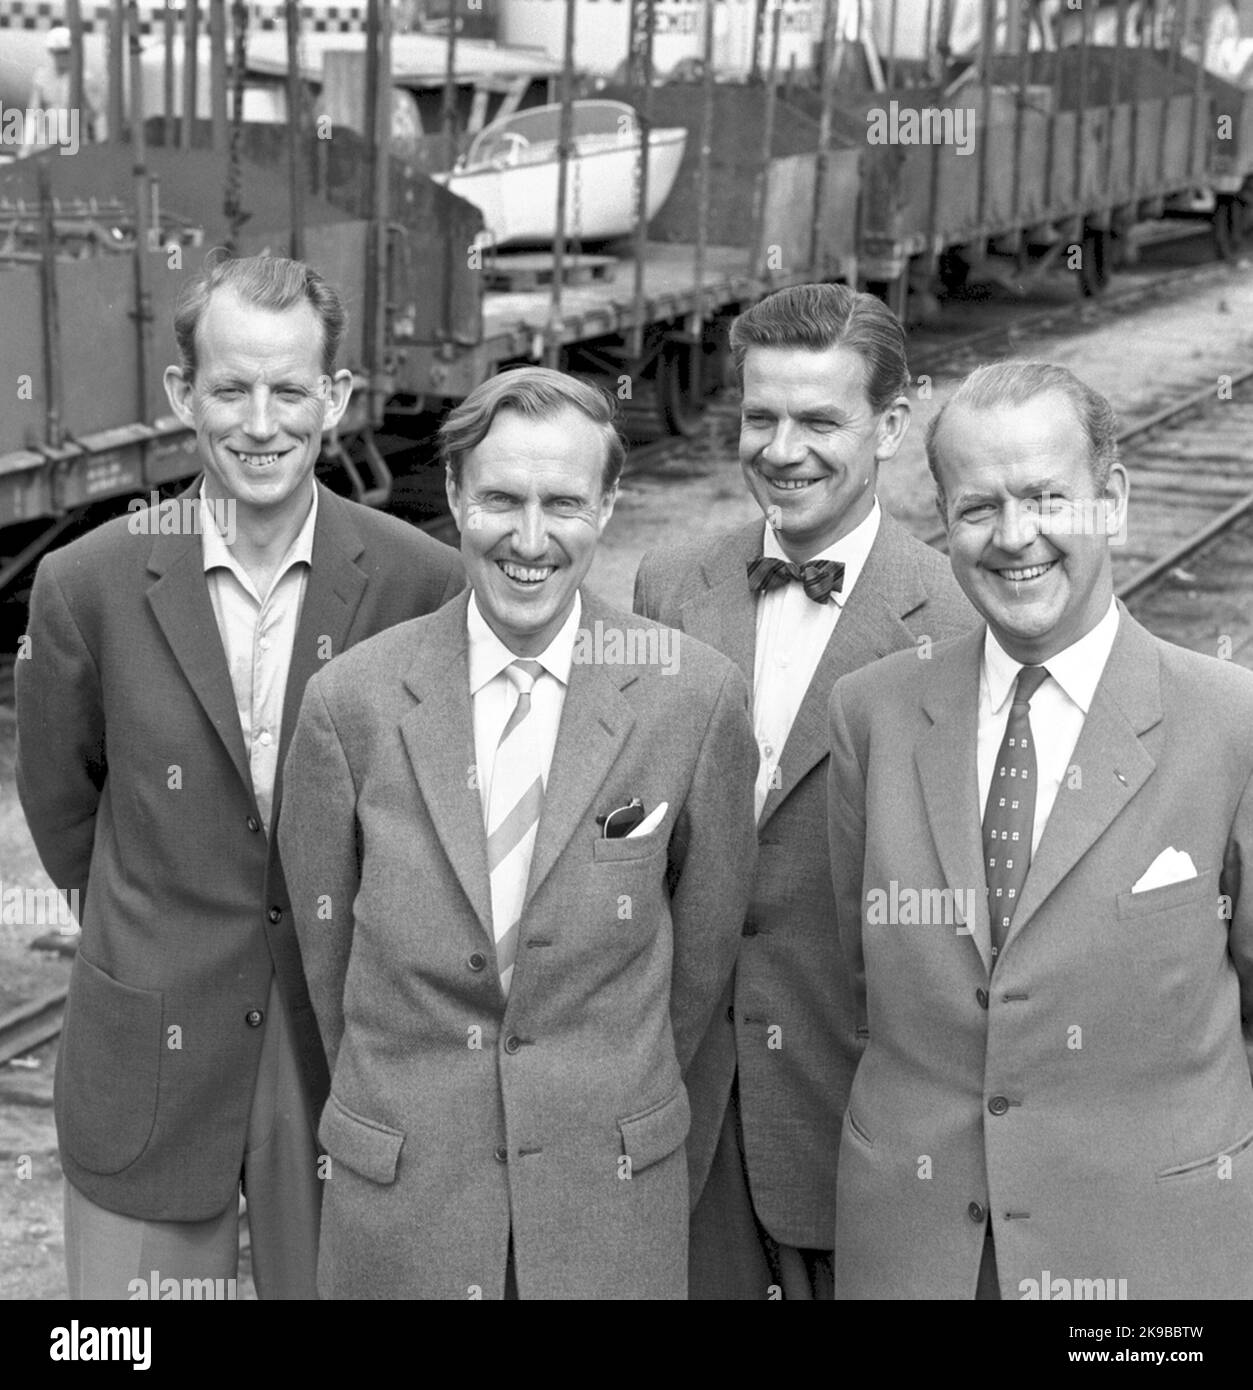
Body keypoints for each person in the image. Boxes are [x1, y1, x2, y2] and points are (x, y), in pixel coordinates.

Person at [15, 254, 464, 1299]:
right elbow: (65, 805)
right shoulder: (85, 587)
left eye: (289, 389)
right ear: (183, 396)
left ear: (336, 397)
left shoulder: (420, 583)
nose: (260, 424)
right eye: (230, 389)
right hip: (152, 1039)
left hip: (348, 1042)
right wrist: (152, 914)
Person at [279, 366, 759, 1299]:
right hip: (403, 1205)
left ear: (610, 503)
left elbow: (700, 962)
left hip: (606, 1203)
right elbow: (326, 964)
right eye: (500, 498)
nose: (529, 540)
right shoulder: (351, 706)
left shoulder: (691, 698)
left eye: (563, 503)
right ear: (455, 494)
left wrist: (600, 1088)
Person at [827, 360, 1253, 1299]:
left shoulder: (1232, 726)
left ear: (1111, 502)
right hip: (916, 1251)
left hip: (1151, 1265)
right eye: (977, 508)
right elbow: (857, 983)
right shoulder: (871, 717)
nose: (1014, 538)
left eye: (1045, 498)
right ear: (941, 521)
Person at [633, 282, 974, 1299]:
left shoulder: (961, 618)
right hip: (681, 1107)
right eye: (759, 416)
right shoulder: (667, 585)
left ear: (892, 424)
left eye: (819, 420)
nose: (780, 450)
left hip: (855, 1108)